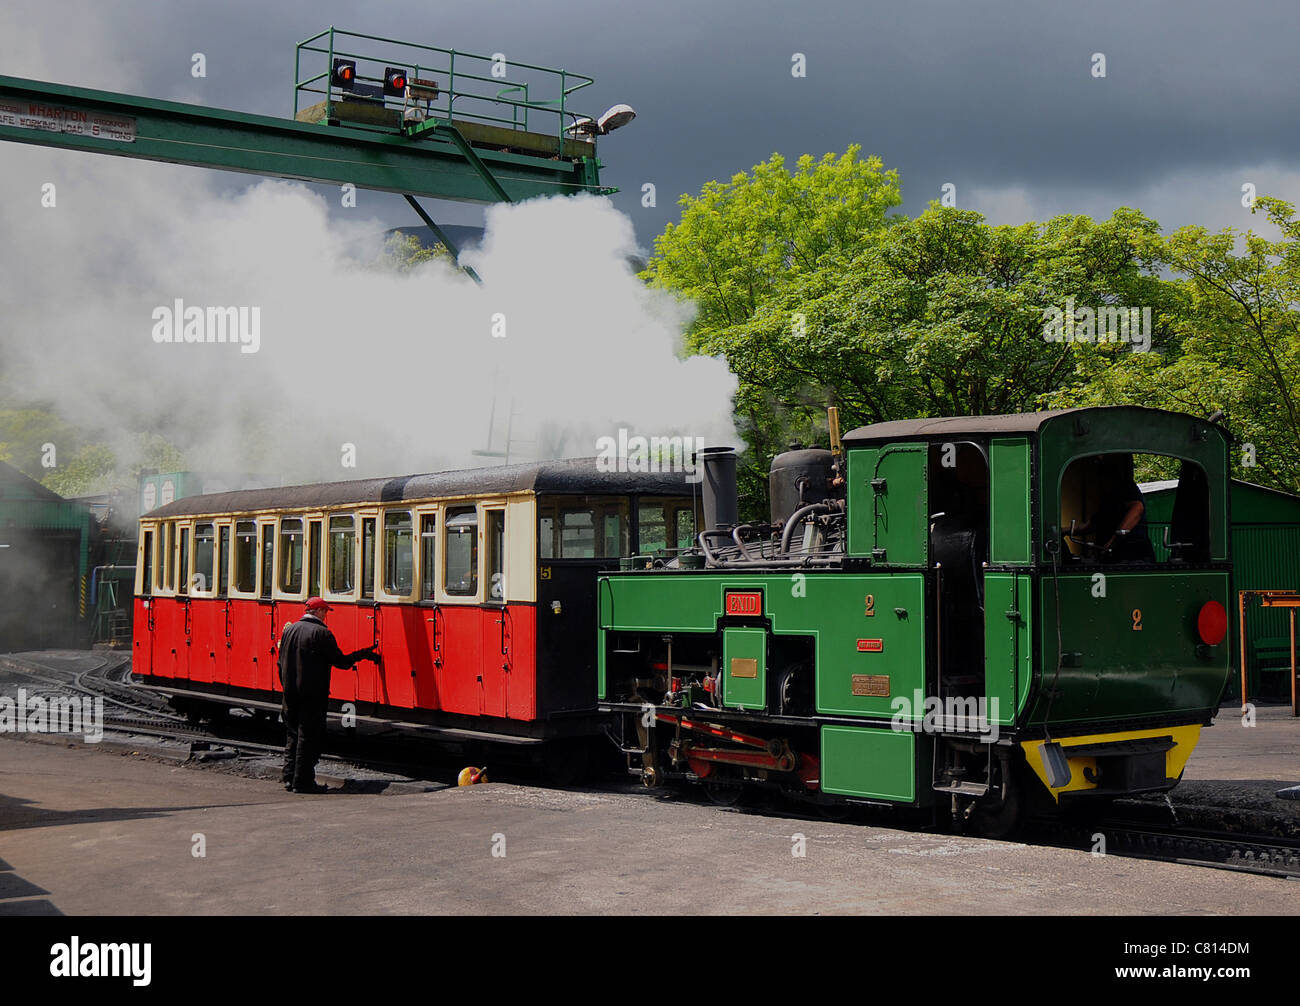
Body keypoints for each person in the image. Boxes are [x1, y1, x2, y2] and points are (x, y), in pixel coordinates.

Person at [278, 596, 378, 793]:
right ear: (318, 612)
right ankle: (303, 782)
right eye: (325, 611)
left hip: (289, 693)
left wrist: (286, 685)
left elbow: (280, 663)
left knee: (292, 736)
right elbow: (340, 661)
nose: (326, 615)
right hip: (312, 695)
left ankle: (289, 778)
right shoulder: (321, 633)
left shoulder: (289, 630)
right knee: (308, 738)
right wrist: (363, 654)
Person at [1074, 454, 1154, 563]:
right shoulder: (1108, 501)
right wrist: (1063, 531)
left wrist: (1112, 542)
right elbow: (1089, 526)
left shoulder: (1126, 488)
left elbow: (1137, 508)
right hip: (1116, 557)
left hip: (1132, 557)